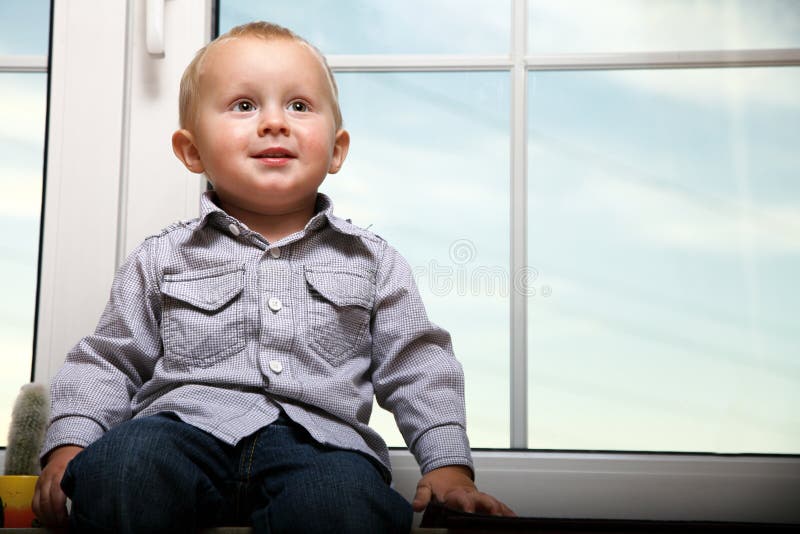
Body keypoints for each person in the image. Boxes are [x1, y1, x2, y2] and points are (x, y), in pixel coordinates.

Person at [32, 21, 515, 533]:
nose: (274, 123)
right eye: (244, 105)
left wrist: (449, 468)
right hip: (181, 432)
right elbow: (107, 361)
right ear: (192, 150)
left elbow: (419, 366)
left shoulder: (373, 261)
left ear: (336, 149)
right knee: (119, 466)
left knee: (347, 504)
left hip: (323, 447)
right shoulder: (161, 257)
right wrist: (69, 446)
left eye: (299, 106)